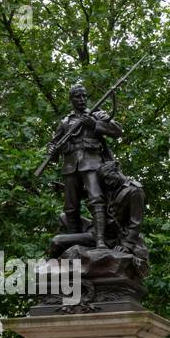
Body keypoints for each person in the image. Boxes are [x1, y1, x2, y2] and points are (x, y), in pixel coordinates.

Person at [45, 83, 123, 247]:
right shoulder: (65, 122)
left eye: (83, 96)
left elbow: (117, 131)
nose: (81, 99)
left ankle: (100, 240)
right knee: (70, 206)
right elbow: (53, 144)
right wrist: (52, 149)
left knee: (96, 199)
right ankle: (73, 242)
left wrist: (94, 124)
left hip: (92, 163)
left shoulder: (97, 114)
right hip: (70, 166)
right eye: (77, 97)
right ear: (71, 99)